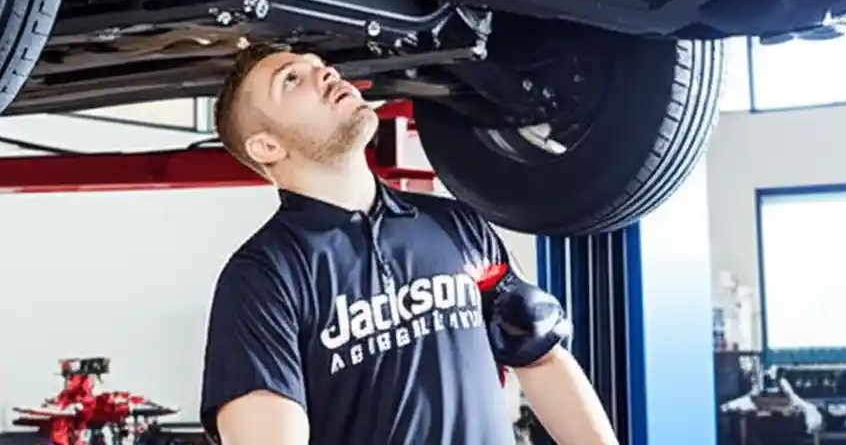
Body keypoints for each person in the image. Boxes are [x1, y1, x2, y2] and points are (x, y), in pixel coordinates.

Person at [199, 43, 617, 445]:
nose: (325, 72)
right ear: (267, 146)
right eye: (291, 80)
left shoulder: (455, 225)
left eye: (317, 64)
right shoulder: (264, 277)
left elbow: (539, 355)